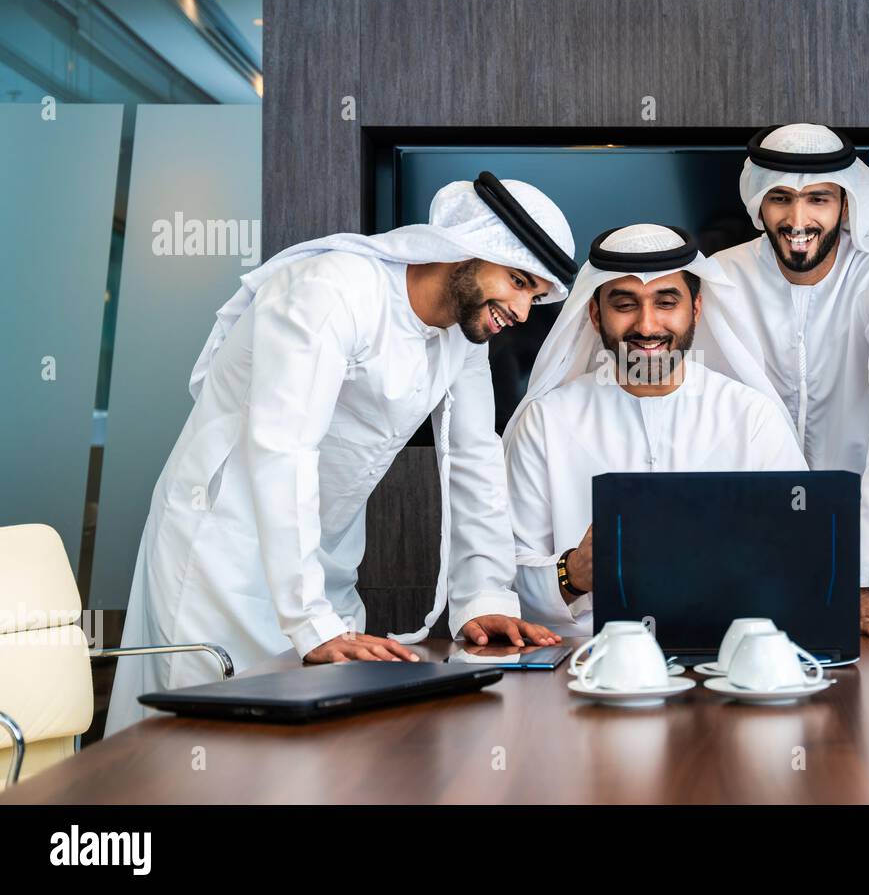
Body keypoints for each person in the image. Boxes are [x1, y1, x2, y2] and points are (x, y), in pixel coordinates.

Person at [106, 174, 574, 733]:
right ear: (465, 250)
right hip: (222, 549)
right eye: (519, 282)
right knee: (214, 749)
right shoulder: (329, 290)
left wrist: (485, 597)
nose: (523, 312)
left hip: (322, 555)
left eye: (536, 295)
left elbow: (476, 458)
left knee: (318, 747)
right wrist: (309, 621)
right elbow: (285, 448)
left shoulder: (460, 339)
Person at [705, 124, 869, 641]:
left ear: (845, 204)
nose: (798, 220)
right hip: (777, 547)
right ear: (760, 204)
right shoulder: (723, 279)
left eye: (817, 199)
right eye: (781, 199)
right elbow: (705, 416)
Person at [503, 224, 807, 636]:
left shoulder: (752, 417)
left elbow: (801, 558)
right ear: (595, 315)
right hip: (584, 664)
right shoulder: (544, 423)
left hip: (727, 660)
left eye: (666, 302)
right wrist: (571, 573)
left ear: (696, 309)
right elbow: (500, 586)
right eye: (625, 304)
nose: (647, 326)